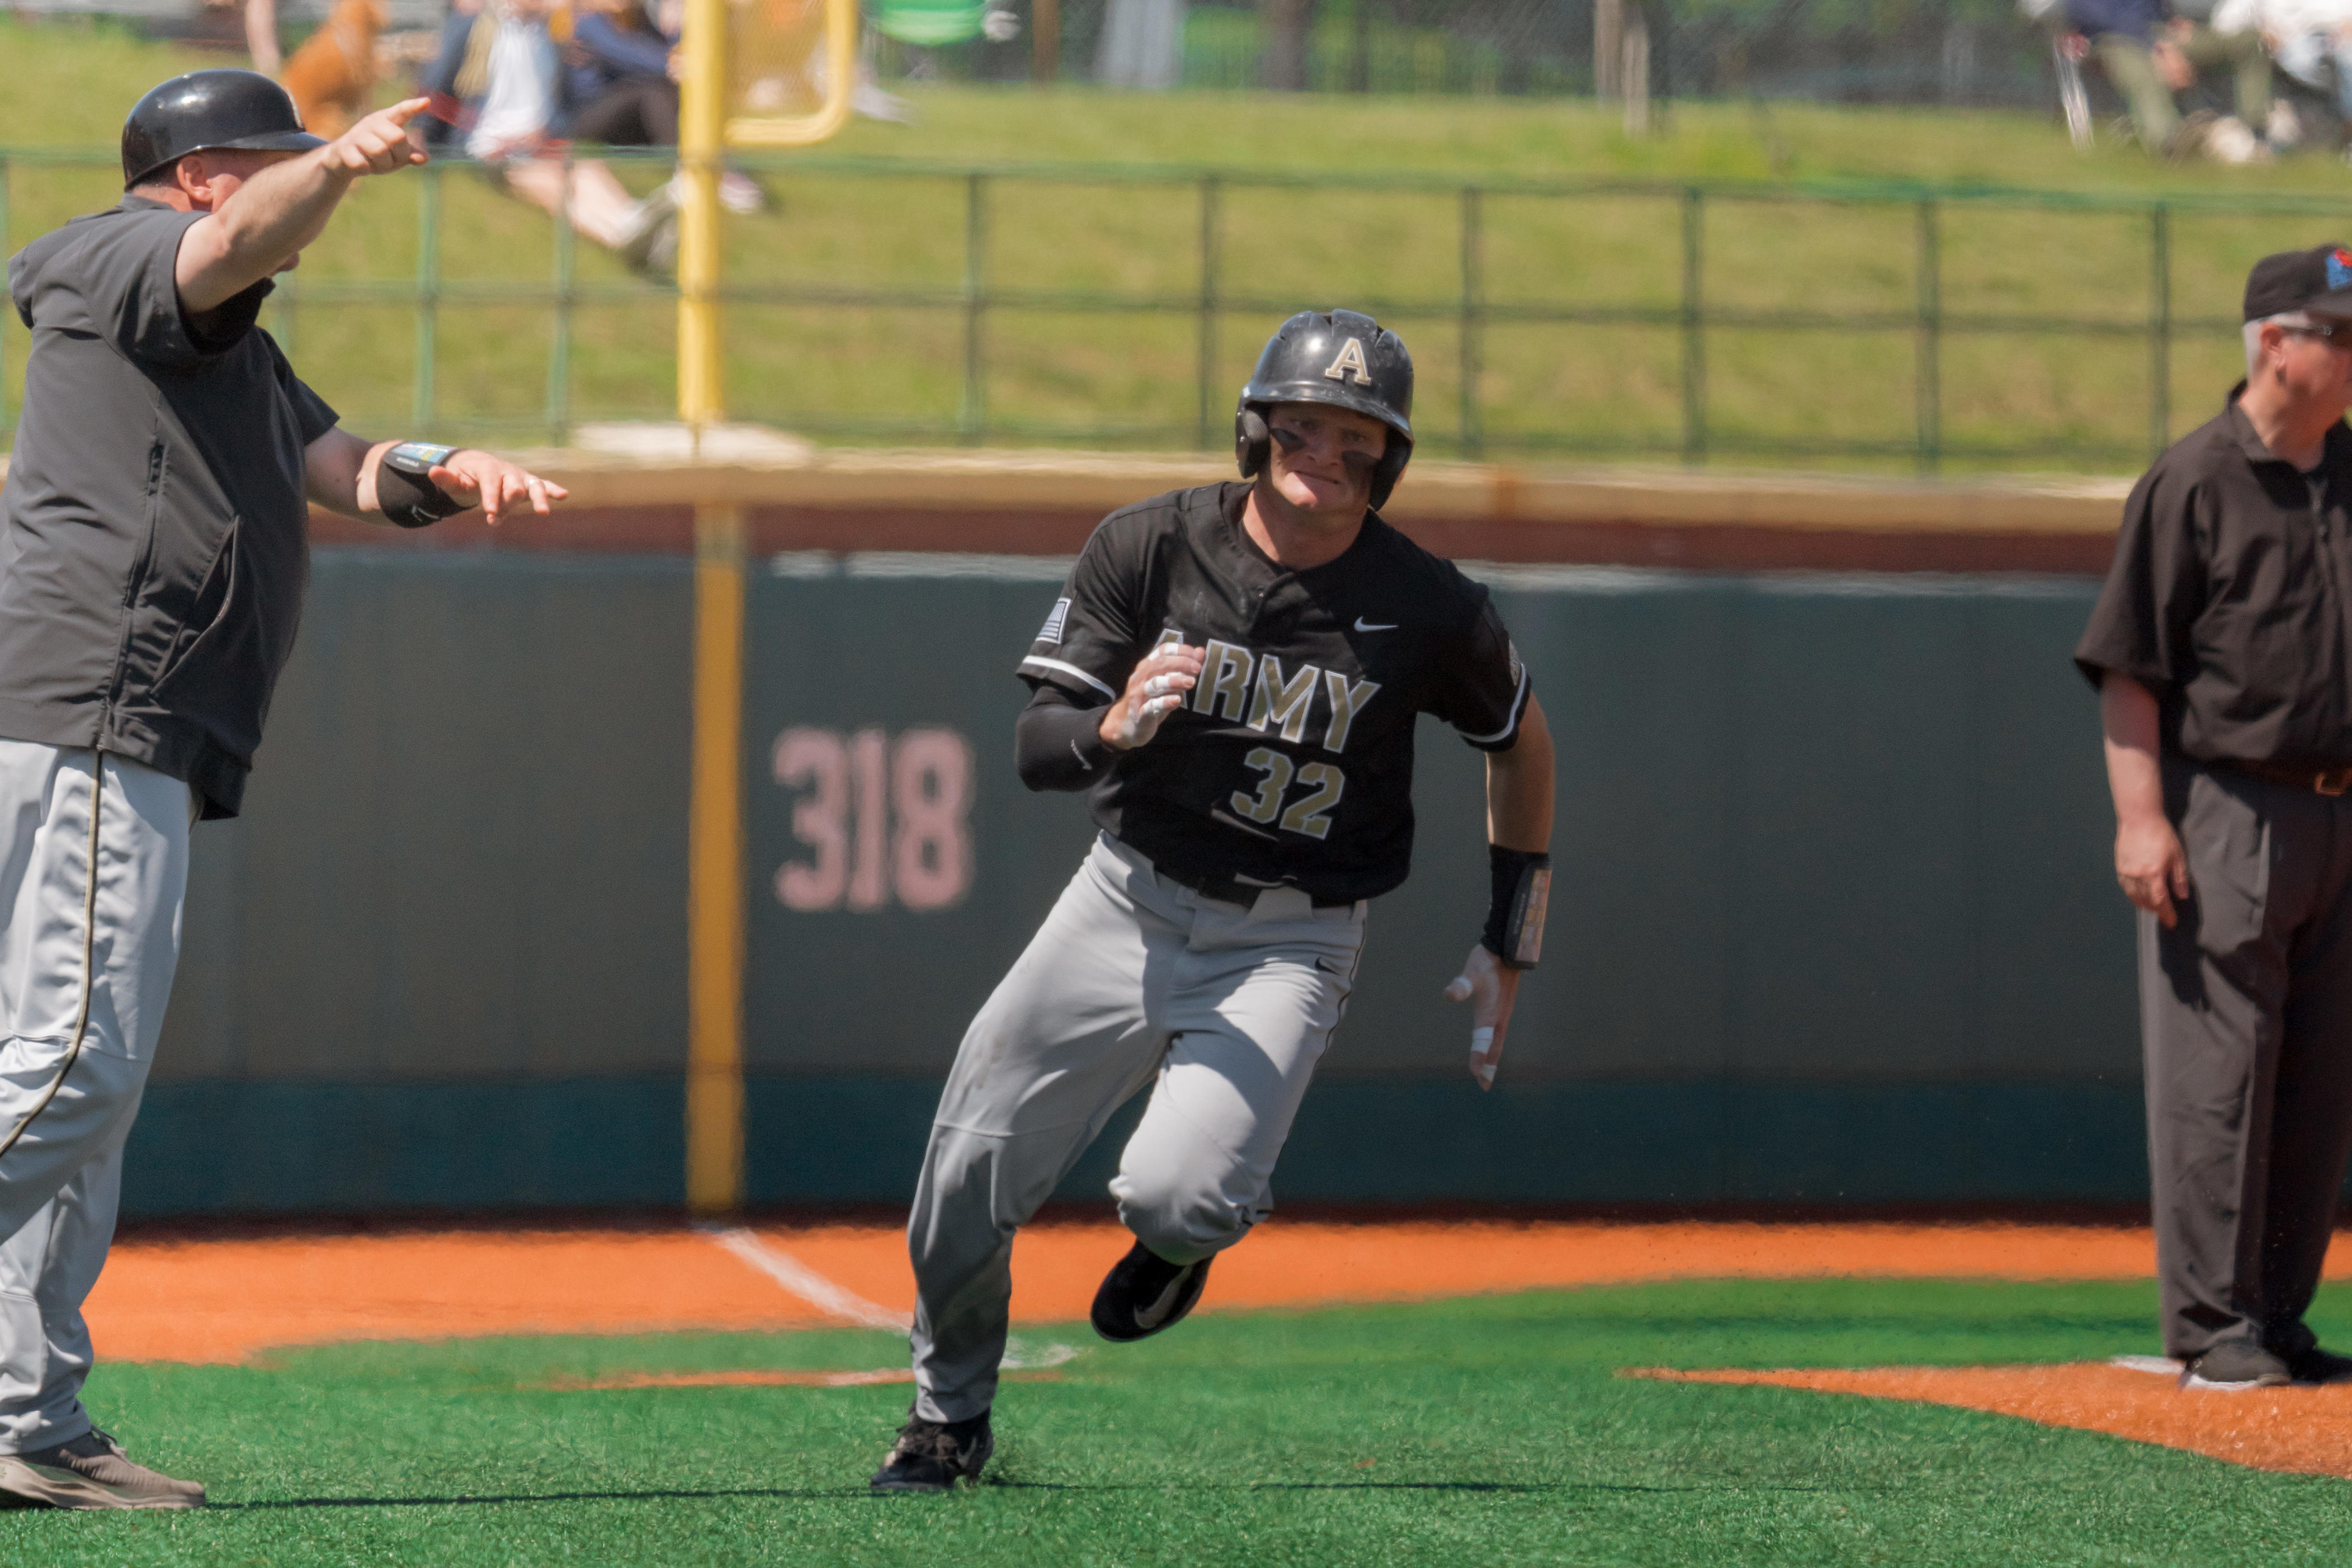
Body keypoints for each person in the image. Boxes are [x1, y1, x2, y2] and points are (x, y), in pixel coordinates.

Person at [868, 310, 1556, 1493]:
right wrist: (1113, 725)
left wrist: (1512, 931)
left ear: (1389, 459)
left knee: (1178, 1198)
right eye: (1302, 425)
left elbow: (1522, 741)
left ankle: (1185, 1247)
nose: (1324, 453)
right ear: (1255, 427)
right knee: (964, 1172)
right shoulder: (1151, 544)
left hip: (1290, 936)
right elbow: (1037, 748)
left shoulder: (1428, 603)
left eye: (1356, 435)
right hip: (1125, 899)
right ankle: (948, 1414)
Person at [0, 69, 564, 1509]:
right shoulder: (121, 255)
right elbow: (233, 241)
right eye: (271, 161)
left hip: (138, 721)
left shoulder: (231, 342)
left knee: (79, 1099)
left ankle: (24, 1420)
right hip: (97, 706)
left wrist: (448, 464)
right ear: (202, 175)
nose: (294, 183)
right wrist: (343, 167)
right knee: (71, 1066)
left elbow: (346, 466)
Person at [2076, 244, 2352, 1392]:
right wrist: (2142, 819)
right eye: (2340, 332)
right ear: (2274, 344)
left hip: (2340, 811)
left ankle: (2277, 1315)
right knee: (2220, 1072)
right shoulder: (2193, 480)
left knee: (2318, 1078)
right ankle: (2211, 1323)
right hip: (2231, 806)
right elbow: (2130, 667)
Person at [2063, 0, 2276, 158]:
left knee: (2249, 41)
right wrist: (2157, 47)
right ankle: (2170, 143)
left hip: (2160, 33)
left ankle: (2255, 131)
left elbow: (2154, 7)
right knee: (2146, 76)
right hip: (2112, 40)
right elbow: (2094, 16)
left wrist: (2173, 22)